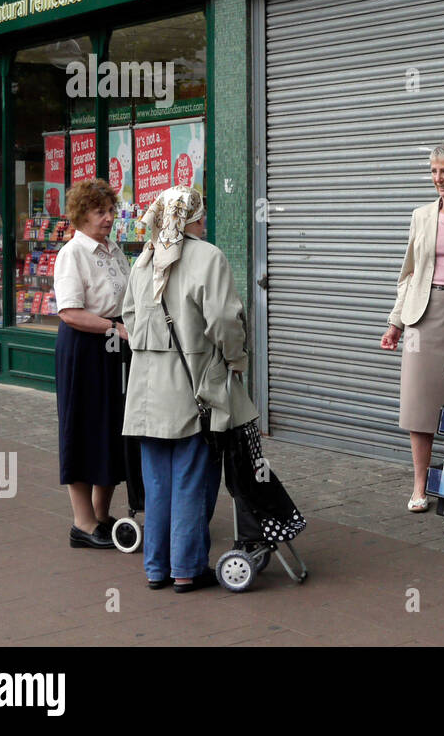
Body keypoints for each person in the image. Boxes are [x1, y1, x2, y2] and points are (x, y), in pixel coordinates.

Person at [122, 186, 257, 592]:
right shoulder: (208, 256)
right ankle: (187, 568)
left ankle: (156, 568)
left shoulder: (144, 258)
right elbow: (225, 319)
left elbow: (128, 314)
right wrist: (237, 360)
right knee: (191, 478)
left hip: (146, 392)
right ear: (195, 215)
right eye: (202, 212)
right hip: (193, 384)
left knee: (157, 482)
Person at [381, 141, 444, 512]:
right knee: (419, 405)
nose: (438, 178)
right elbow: (408, 273)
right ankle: (420, 485)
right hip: (422, 316)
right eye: (434, 171)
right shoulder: (421, 215)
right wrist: (395, 324)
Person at [54, 179, 131, 549]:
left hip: (115, 345)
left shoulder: (113, 250)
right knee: (83, 428)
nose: (109, 217)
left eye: (111, 210)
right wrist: (116, 327)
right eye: (101, 211)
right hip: (85, 348)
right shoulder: (73, 254)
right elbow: (69, 312)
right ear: (81, 215)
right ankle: (82, 523)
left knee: (113, 427)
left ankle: (102, 515)